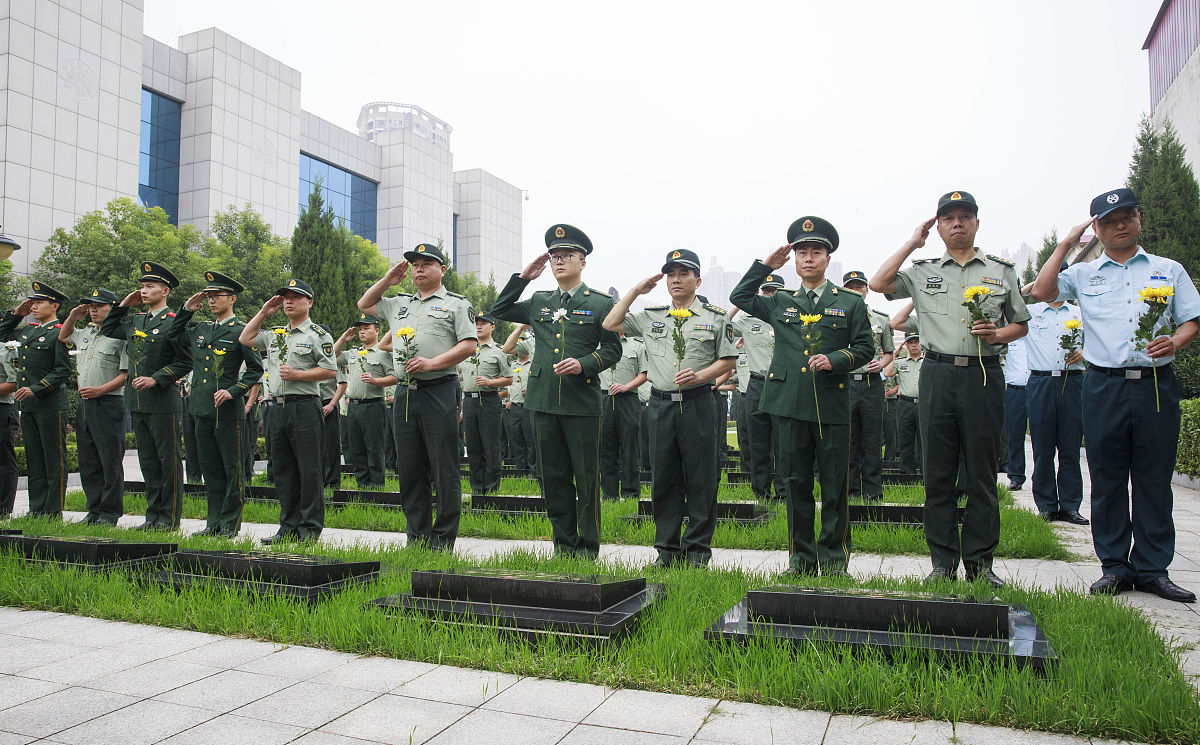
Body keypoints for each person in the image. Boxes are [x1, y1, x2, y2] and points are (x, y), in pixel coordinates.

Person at [1031, 187, 1200, 603]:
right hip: (1103, 384)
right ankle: (1115, 566)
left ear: (1139, 218)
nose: (1119, 225)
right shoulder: (1084, 274)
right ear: (1097, 230)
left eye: (1126, 216)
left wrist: (1176, 343)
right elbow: (1041, 291)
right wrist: (1067, 245)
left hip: (1156, 386)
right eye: (1108, 221)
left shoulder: (1168, 269)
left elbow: (1192, 321)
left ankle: (1153, 568)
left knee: (1154, 478)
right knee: (1106, 478)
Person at [870, 191, 1029, 587]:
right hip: (937, 375)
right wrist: (912, 242)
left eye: (964, 216)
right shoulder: (922, 270)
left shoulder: (1001, 270)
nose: (957, 223)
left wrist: (999, 333)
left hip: (984, 374)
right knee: (937, 473)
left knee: (980, 473)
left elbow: (1020, 324)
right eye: (948, 218)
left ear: (977, 223)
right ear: (938, 227)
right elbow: (878, 282)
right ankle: (942, 563)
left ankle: (980, 564)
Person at [731, 218, 874, 576]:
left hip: (831, 405)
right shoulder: (779, 301)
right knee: (795, 485)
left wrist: (837, 360)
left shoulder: (850, 303)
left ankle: (834, 559)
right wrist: (766, 265)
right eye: (802, 252)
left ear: (828, 259)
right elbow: (739, 297)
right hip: (790, 404)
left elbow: (866, 348)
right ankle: (801, 559)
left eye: (817, 252)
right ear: (794, 260)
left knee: (834, 486)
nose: (809, 258)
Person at [495, 224, 622, 559]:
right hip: (543, 400)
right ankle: (563, 546)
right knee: (552, 478)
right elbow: (499, 310)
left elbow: (612, 350)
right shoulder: (539, 301)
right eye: (554, 256)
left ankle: (588, 548)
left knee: (585, 479)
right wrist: (523, 277)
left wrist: (585, 363)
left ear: (583, 262)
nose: (559, 261)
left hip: (581, 402)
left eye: (567, 255)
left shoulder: (599, 303)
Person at [605, 248, 737, 567]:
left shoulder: (715, 318)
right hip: (661, 407)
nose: (676, 280)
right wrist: (636, 291)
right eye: (671, 274)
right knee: (664, 480)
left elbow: (729, 359)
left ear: (698, 280)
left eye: (683, 274)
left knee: (701, 480)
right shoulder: (652, 317)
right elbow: (611, 323)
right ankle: (666, 551)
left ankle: (696, 553)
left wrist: (702, 375)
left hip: (699, 404)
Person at [358, 243, 477, 550]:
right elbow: (365, 303)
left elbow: (468, 344)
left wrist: (432, 362)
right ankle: (417, 535)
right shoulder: (398, 304)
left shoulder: (456, 304)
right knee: (410, 467)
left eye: (427, 263)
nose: (419, 268)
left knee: (443, 466)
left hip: (439, 388)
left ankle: (443, 538)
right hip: (406, 392)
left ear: (442, 269)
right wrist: (387, 280)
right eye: (415, 264)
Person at [239, 279, 337, 543]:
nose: (289, 302)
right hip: (276, 408)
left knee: (309, 470)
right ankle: (287, 526)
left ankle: (309, 529)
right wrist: (263, 313)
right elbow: (245, 338)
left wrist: (299, 374)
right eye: (285, 298)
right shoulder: (275, 334)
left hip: (304, 407)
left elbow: (329, 370)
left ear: (310, 302)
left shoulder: (317, 334)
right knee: (283, 471)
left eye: (296, 297)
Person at [170, 272, 265, 537]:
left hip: (226, 412)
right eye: (208, 297)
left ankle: (229, 525)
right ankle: (213, 523)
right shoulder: (200, 329)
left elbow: (255, 371)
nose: (211, 301)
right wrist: (187, 310)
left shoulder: (242, 330)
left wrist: (233, 391)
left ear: (232, 299)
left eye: (217, 296)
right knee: (210, 469)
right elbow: (173, 335)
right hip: (200, 408)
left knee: (231, 469)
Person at [101, 262, 192, 529]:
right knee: (149, 463)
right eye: (142, 286)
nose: (144, 291)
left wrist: (157, 378)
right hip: (138, 402)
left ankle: (169, 517)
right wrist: (123, 306)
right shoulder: (136, 320)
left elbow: (185, 361)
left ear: (165, 291)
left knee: (168, 462)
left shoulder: (173, 323)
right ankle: (152, 516)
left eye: (150, 286)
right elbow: (108, 329)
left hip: (162, 401)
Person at [0, 282, 73, 518]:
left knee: (53, 458)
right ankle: (36, 508)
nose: (33, 306)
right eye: (32, 302)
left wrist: (36, 389)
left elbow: (63, 370)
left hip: (49, 404)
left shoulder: (60, 332)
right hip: (29, 405)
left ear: (54, 305)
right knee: (34, 458)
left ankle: (52, 511)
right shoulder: (28, 330)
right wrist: (15, 315)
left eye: (39, 302)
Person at [1020, 277, 1087, 525]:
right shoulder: (1030, 312)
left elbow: (1101, 339)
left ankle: (1070, 506)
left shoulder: (1080, 312)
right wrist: (1032, 286)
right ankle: (1046, 506)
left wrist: (1085, 353)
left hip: (1073, 381)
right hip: (1041, 383)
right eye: (1050, 281)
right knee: (1043, 448)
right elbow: (1005, 305)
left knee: (1070, 448)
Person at [59, 289, 128, 525]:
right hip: (86, 403)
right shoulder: (86, 332)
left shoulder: (120, 336)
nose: (93, 310)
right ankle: (94, 509)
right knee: (89, 460)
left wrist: (101, 390)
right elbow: (64, 337)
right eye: (91, 306)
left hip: (108, 402)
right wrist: (73, 317)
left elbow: (125, 375)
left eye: (99, 306)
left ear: (113, 308)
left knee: (109, 460)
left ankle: (109, 512)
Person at [728, 274, 784, 501]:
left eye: (774, 291)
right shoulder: (748, 322)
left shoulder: (791, 318)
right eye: (766, 291)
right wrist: (739, 304)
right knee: (757, 443)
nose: (770, 295)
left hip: (782, 384)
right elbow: (722, 323)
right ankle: (761, 493)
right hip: (756, 384)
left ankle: (783, 493)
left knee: (783, 443)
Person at [842, 270, 895, 502]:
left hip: (872, 384)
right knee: (849, 441)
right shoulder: (837, 317)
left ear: (866, 290)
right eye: (851, 287)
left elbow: (889, 353)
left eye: (859, 286)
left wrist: (881, 364)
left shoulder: (880, 319)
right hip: (846, 385)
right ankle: (852, 492)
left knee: (872, 440)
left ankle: (873, 493)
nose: (856, 290)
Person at [334, 313, 396, 489]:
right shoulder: (353, 352)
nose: (362, 332)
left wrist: (376, 381)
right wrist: (344, 338)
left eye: (366, 328)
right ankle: (362, 485)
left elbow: (394, 377)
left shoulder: (383, 353)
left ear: (377, 330)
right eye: (360, 329)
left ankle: (376, 486)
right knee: (357, 448)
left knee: (374, 447)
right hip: (353, 407)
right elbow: (332, 355)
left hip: (373, 405)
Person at [459, 311, 513, 496]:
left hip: (489, 401)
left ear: (493, 326)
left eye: (484, 323)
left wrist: (491, 383)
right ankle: (476, 487)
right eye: (476, 323)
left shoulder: (499, 351)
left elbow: (509, 379)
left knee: (491, 446)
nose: (479, 326)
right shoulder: (466, 349)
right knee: (473, 446)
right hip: (468, 401)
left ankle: (490, 489)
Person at [599, 332, 648, 500]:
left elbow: (644, 373)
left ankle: (631, 493)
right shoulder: (597, 345)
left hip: (628, 399)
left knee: (630, 449)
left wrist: (627, 387)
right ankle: (609, 495)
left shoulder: (637, 345)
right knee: (605, 450)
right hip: (603, 399)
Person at [884, 327, 924, 475]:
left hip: (923, 404)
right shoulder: (900, 362)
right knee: (905, 440)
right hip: (905, 404)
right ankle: (908, 474)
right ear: (906, 345)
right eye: (910, 342)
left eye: (917, 342)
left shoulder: (927, 361)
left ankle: (925, 474)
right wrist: (895, 354)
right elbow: (887, 373)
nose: (914, 345)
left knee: (924, 441)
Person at [1003, 333, 1030, 491]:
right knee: (1014, 435)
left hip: (1036, 387)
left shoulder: (1034, 336)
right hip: (1014, 390)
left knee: (1041, 436)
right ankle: (1016, 476)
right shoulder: (1007, 338)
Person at [0, 340, 17, 517]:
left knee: (4, 461)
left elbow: (14, 382)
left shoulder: (6, 349)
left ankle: (3, 510)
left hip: (2, 409)